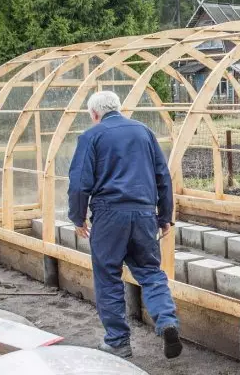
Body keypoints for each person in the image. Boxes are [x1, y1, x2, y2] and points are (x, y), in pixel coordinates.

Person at [67, 91, 182, 359]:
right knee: (151, 272)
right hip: (144, 214)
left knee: (108, 276)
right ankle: (166, 321)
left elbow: (79, 182)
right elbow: (162, 176)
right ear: (118, 108)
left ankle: (118, 341)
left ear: (94, 114)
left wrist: (78, 217)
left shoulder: (91, 136)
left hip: (109, 216)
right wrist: (164, 216)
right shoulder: (144, 132)